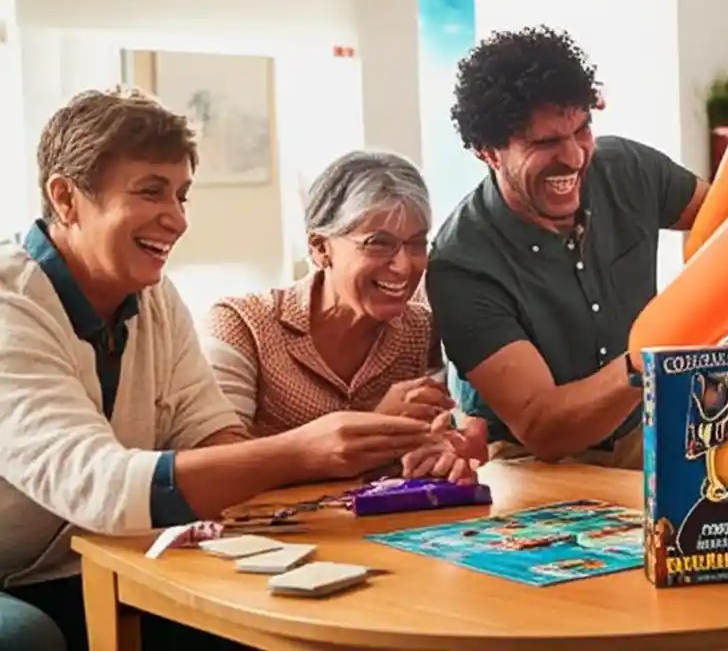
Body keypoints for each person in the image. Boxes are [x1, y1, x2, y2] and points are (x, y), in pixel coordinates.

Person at [0, 87, 447, 650]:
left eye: (182, 195)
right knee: (27, 638)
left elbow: (215, 437)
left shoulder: (156, 299)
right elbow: (102, 487)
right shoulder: (10, 305)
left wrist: (361, 452)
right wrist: (303, 450)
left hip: (95, 559)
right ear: (66, 199)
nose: (177, 220)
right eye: (150, 192)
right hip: (25, 574)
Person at [427, 25, 709, 469]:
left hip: (647, 433)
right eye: (545, 143)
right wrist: (651, 355)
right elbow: (544, 427)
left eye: (581, 130)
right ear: (489, 152)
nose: (575, 157)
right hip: (531, 463)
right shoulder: (461, 265)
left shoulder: (628, 170)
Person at [202, 150, 487, 481]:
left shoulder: (421, 330)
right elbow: (215, 469)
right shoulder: (241, 325)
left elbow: (415, 458)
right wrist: (374, 424)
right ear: (320, 248)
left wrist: (440, 456)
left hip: (366, 529)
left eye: (416, 244)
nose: (404, 266)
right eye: (379, 244)